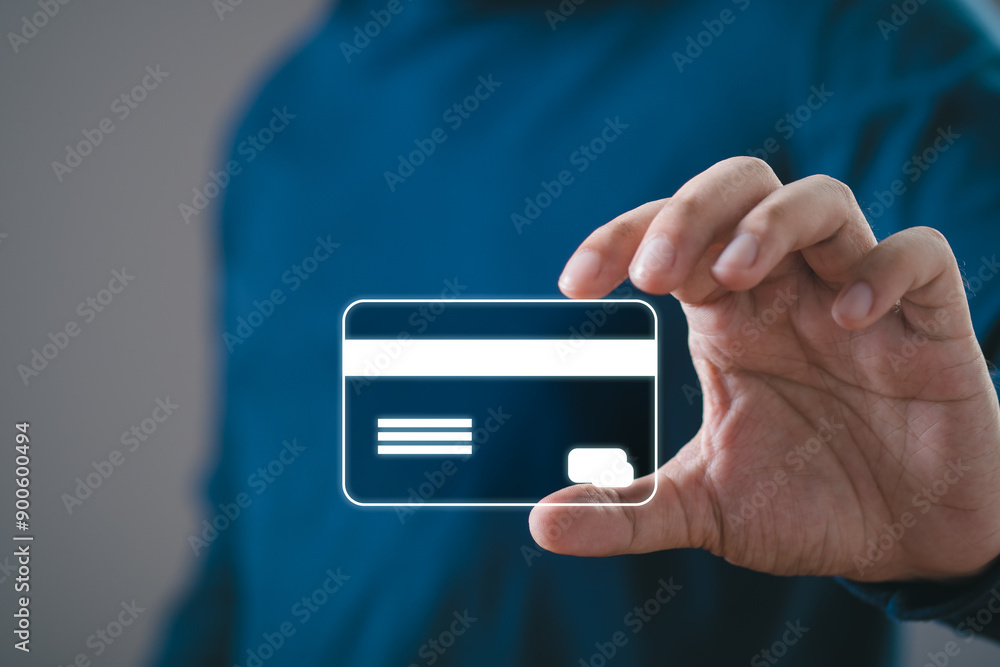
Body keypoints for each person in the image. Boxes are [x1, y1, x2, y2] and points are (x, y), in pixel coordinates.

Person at [155, 0, 1000, 664]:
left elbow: (962, 477)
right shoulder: (283, 121)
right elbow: (245, 548)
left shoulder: (858, 36)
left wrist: (979, 554)